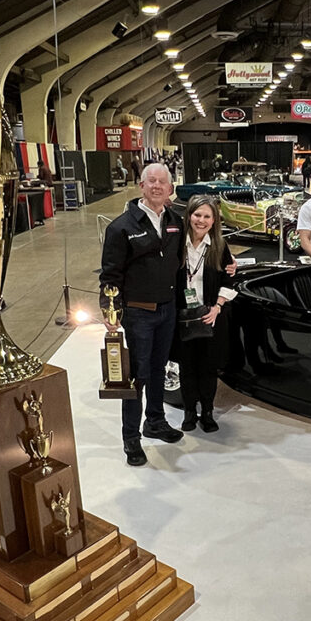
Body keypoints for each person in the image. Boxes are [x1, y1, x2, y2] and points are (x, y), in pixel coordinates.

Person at [100, 163, 185, 466]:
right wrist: (110, 311)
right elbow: (110, 275)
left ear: (170, 188)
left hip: (167, 310)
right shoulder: (121, 227)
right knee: (136, 377)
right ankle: (131, 438)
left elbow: (183, 261)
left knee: (160, 370)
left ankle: (156, 421)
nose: (157, 186)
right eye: (151, 181)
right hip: (138, 315)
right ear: (141, 186)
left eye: (163, 182)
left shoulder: (176, 221)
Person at [175, 196, 236, 433]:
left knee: (208, 368)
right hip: (183, 317)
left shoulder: (219, 246)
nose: (201, 220)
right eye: (197, 215)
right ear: (189, 215)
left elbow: (229, 278)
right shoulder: (177, 243)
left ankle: (207, 412)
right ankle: (190, 411)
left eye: (206, 216)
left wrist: (217, 307)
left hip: (210, 316)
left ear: (214, 220)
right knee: (187, 367)